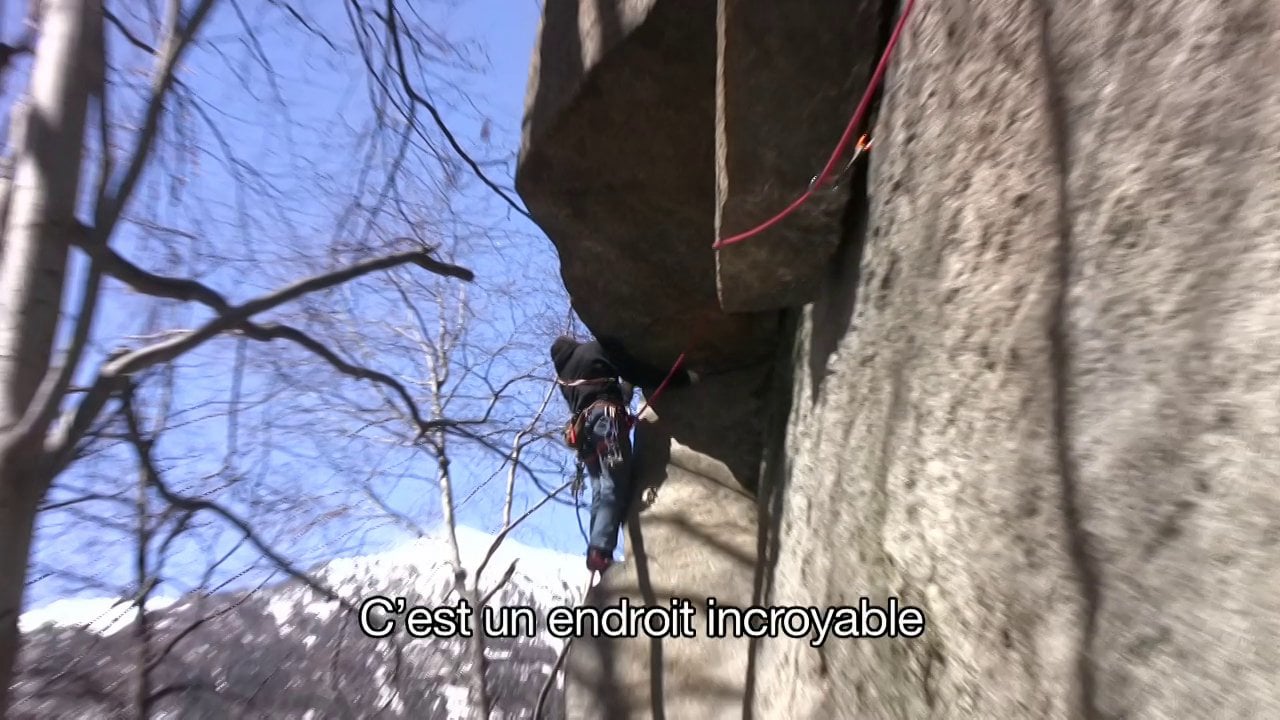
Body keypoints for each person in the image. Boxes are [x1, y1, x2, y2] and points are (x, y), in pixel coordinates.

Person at [550, 335, 696, 572]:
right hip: (605, 422)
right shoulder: (594, 349)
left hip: (585, 435)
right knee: (613, 485)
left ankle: (597, 549)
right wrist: (682, 378)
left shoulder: (564, 377)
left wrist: (624, 390)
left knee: (599, 489)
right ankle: (601, 549)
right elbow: (634, 370)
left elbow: (608, 387)